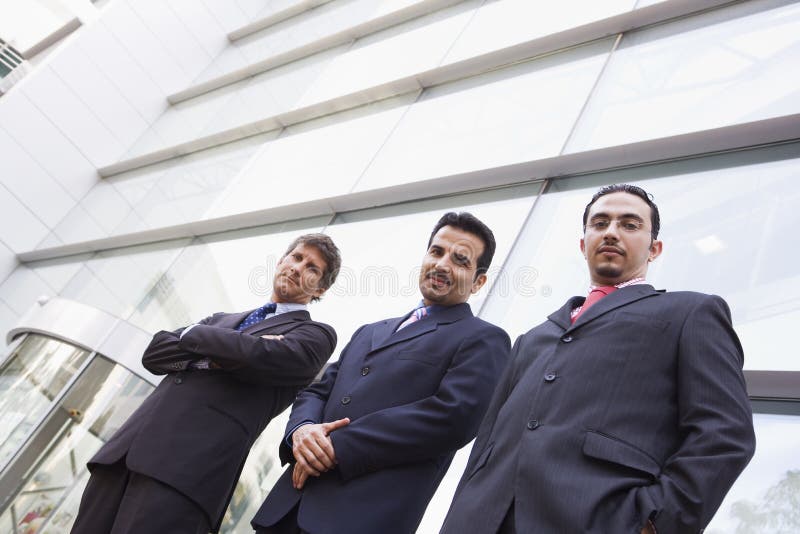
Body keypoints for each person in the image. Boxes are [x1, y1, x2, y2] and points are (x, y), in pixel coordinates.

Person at [439, 184, 756, 534]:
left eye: (630, 224)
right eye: (600, 223)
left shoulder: (691, 312)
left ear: (655, 249)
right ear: (582, 243)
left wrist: (656, 521)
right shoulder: (532, 338)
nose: (611, 232)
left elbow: (725, 433)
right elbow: (486, 445)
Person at [251, 212, 511, 534]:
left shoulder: (483, 338)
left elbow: (453, 416)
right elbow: (316, 391)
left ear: (479, 281)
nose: (442, 264)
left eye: (460, 260)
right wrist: (302, 431)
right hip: (288, 506)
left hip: (362, 518)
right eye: (436, 251)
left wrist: (339, 446)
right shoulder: (368, 331)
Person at [71, 233, 342, 534]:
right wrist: (231, 350)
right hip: (123, 454)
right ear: (281, 261)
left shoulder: (316, 335)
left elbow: (262, 357)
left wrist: (195, 336)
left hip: (185, 472)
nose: (297, 267)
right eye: (296, 257)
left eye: (312, 268)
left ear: (320, 288)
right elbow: (156, 352)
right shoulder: (223, 319)